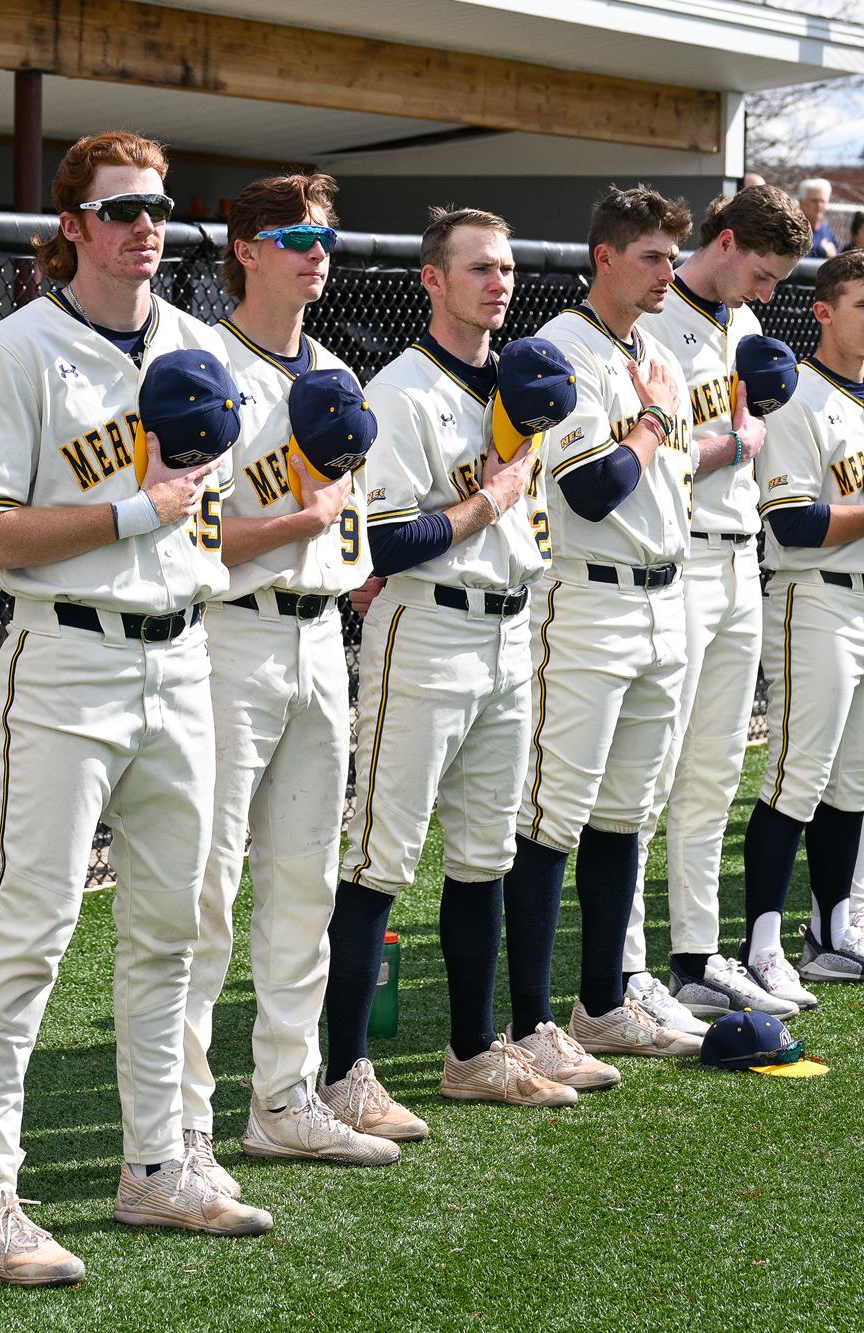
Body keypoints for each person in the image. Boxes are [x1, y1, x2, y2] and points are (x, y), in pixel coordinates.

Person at [0, 132, 270, 1284]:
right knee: (29, 935)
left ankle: (155, 1167)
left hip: (184, 655)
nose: (145, 227)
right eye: (120, 209)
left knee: (178, 926)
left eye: (159, 209)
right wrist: (133, 514)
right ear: (73, 224)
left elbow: (204, 520)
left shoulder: (192, 343)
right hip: (65, 660)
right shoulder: (18, 345)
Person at [321, 206, 577, 1128]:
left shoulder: (522, 384)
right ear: (432, 279)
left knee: (486, 854)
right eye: (477, 267)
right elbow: (382, 536)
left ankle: (473, 1050)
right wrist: (490, 498)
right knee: (381, 854)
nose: (498, 281)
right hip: (425, 631)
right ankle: (341, 1071)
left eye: (506, 267)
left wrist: (504, 499)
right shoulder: (401, 389)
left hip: (509, 628)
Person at [184, 173, 398, 1170]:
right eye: (293, 234)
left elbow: (345, 529)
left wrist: (337, 553)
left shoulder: (338, 368)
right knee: (206, 889)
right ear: (245, 249)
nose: (315, 250)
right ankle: (180, 1124)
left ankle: (284, 1096)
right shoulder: (196, 360)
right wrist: (298, 524)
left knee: (306, 883)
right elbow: (183, 535)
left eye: (324, 234)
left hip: (320, 642)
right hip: (228, 639)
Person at [508, 185, 703, 1079]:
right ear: (605, 257)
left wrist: (664, 422)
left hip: (666, 594)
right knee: (554, 813)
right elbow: (592, 488)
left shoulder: (654, 345)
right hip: (586, 598)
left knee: (627, 812)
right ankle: (529, 1020)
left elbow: (679, 472)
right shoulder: (560, 348)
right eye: (653, 256)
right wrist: (656, 419)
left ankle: (602, 1002)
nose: (669, 272)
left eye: (673, 256)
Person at [625, 185, 811, 1024]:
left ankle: (696, 954)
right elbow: (644, 453)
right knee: (650, 776)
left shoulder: (745, 326)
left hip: (742, 561)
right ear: (726, 240)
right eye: (763, 272)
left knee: (714, 771)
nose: (768, 292)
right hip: (677, 560)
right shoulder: (652, 319)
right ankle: (627, 970)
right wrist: (734, 442)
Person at [736, 249, 864, 987]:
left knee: (857, 781)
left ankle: (833, 932)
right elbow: (790, 522)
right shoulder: (796, 397)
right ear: (823, 311)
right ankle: (763, 948)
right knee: (796, 777)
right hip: (813, 598)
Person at [797, 178, 840, 258]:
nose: (819, 205)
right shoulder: (794, 230)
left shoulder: (827, 232)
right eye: (814, 201)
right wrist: (822, 251)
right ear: (801, 202)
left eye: (822, 201)